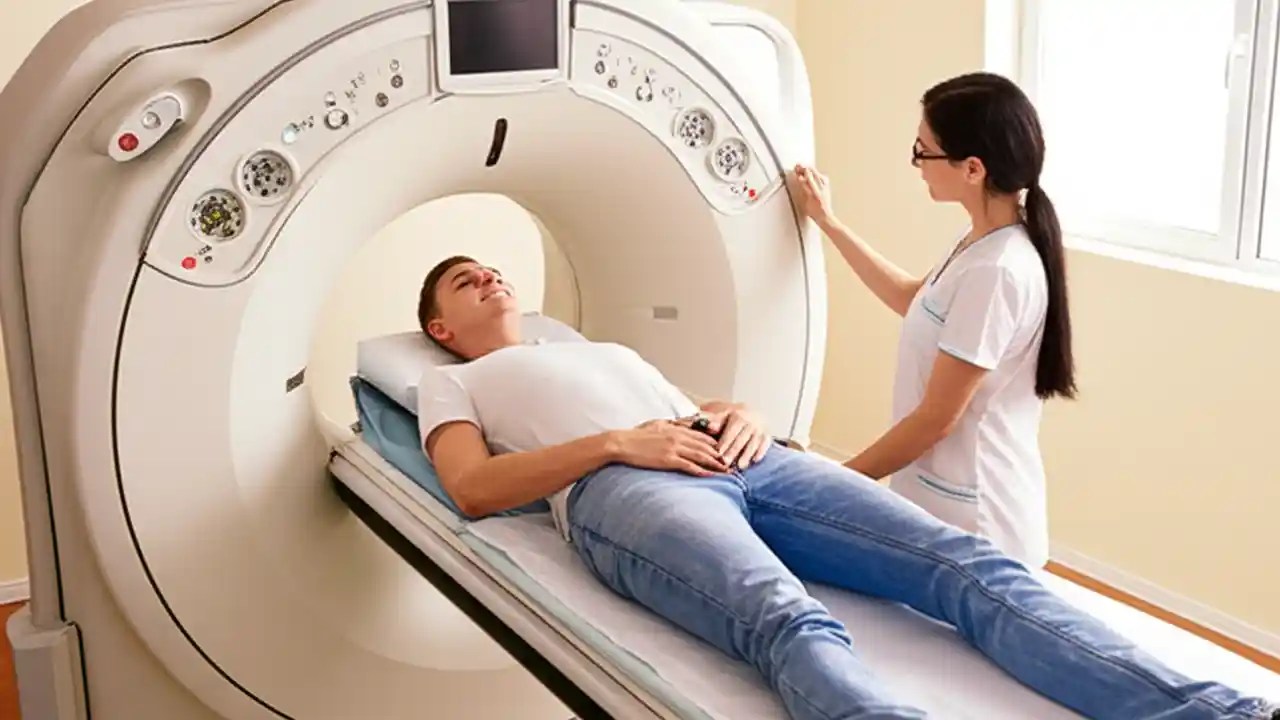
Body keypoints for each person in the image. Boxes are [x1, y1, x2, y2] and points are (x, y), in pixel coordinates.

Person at [412, 254, 1278, 720]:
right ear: (441, 328)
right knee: (783, 616)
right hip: (621, 487)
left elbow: (681, 405)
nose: (490, 275)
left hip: (738, 453)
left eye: (493, 267)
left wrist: (738, 410)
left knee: (965, 566)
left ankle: (1217, 713)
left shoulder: (595, 349)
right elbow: (474, 488)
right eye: (464, 279)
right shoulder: (452, 384)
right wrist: (614, 442)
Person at [792, 71, 1073, 569]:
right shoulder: (981, 241)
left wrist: (834, 483)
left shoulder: (997, 271)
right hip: (942, 504)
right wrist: (828, 222)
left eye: (924, 151)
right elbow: (911, 298)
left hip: (982, 526)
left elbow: (935, 419)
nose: (917, 163)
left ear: (972, 169)